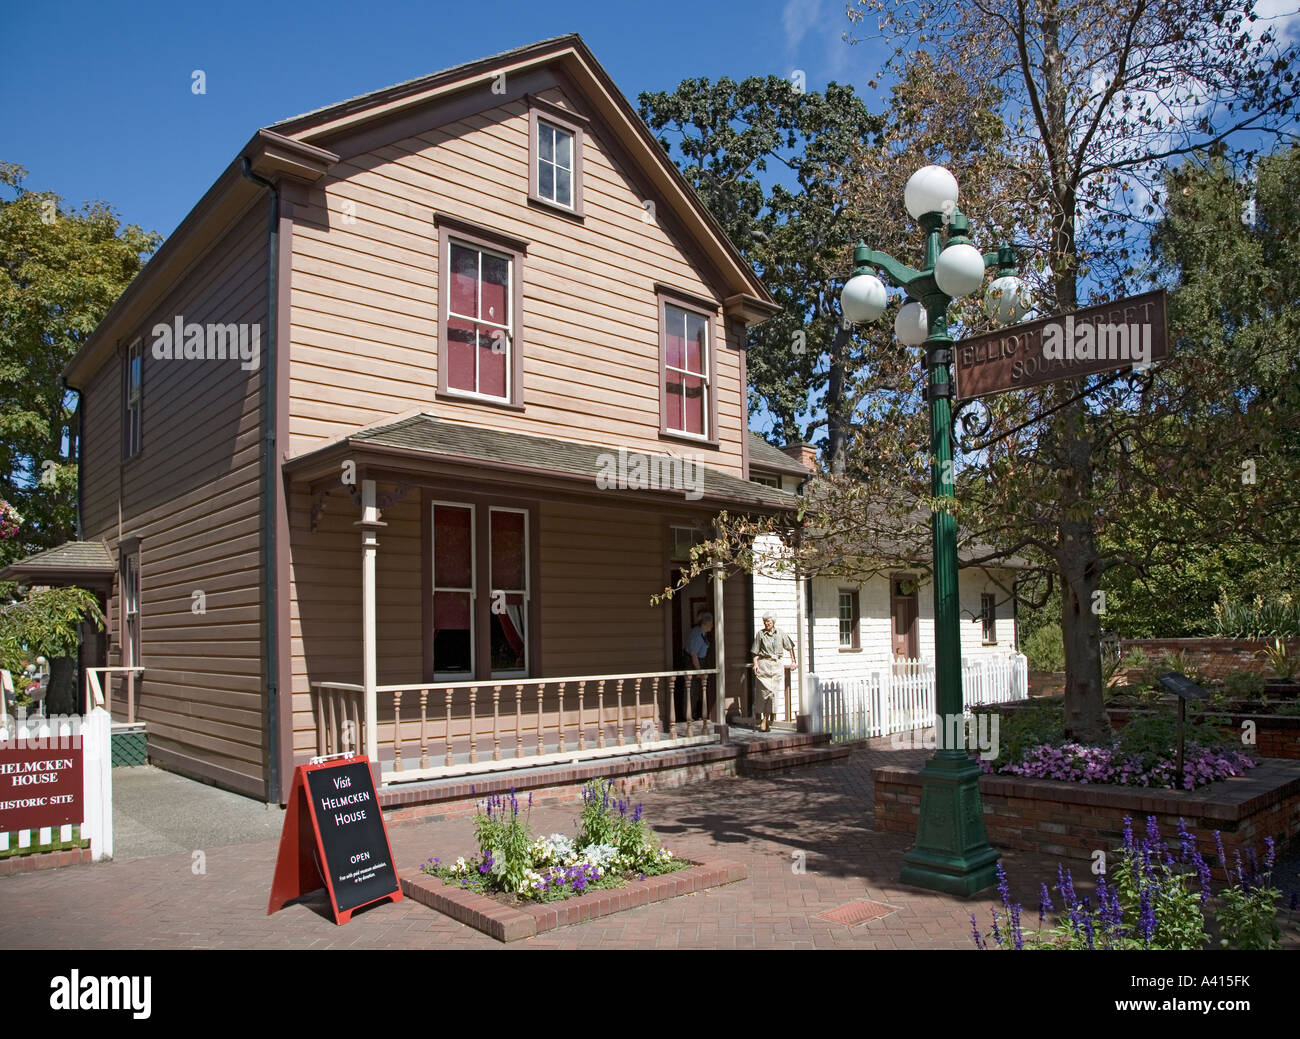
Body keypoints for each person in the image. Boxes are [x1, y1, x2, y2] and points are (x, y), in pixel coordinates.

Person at [751, 612, 795, 732]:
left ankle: (765, 720)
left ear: (773, 622)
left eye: (769, 622)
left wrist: (793, 661)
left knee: (772, 693)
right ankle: (765, 720)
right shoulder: (760, 634)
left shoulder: (780, 633)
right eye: (765, 621)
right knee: (763, 694)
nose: (766, 624)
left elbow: (790, 646)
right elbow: (755, 651)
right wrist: (755, 664)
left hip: (776, 665)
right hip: (764, 665)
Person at [683, 613, 713, 723]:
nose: (712, 626)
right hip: (693, 663)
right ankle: (688, 715)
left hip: (700, 661)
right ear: (705, 623)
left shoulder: (703, 633)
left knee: (696, 691)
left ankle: (693, 713)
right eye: (711, 623)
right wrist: (698, 670)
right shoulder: (697, 633)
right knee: (691, 689)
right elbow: (693, 654)